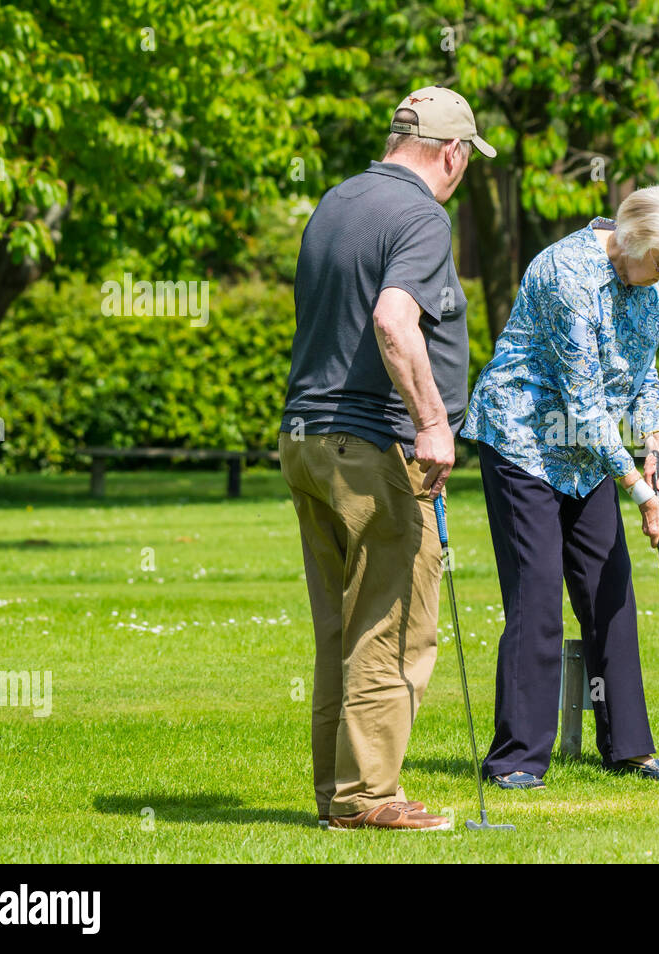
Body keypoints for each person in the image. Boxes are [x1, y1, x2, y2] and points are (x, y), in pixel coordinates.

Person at [278, 86, 495, 831]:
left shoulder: (338, 201)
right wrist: (434, 425)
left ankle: (340, 796)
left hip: (306, 439)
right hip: (371, 445)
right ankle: (369, 799)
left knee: (343, 631)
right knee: (394, 628)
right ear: (452, 153)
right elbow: (392, 320)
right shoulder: (421, 217)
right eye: (467, 159)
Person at [460, 185, 659, 789]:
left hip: (584, 454)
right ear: (634, 241)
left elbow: (642, 367)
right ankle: (516, 760)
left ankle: (629, 749)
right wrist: (639, 492)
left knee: (608, 588)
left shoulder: (647, 279)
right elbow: (585, 403)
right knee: (537, 595)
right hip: (523, 439)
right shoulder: (566, 272)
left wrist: (656, 432)